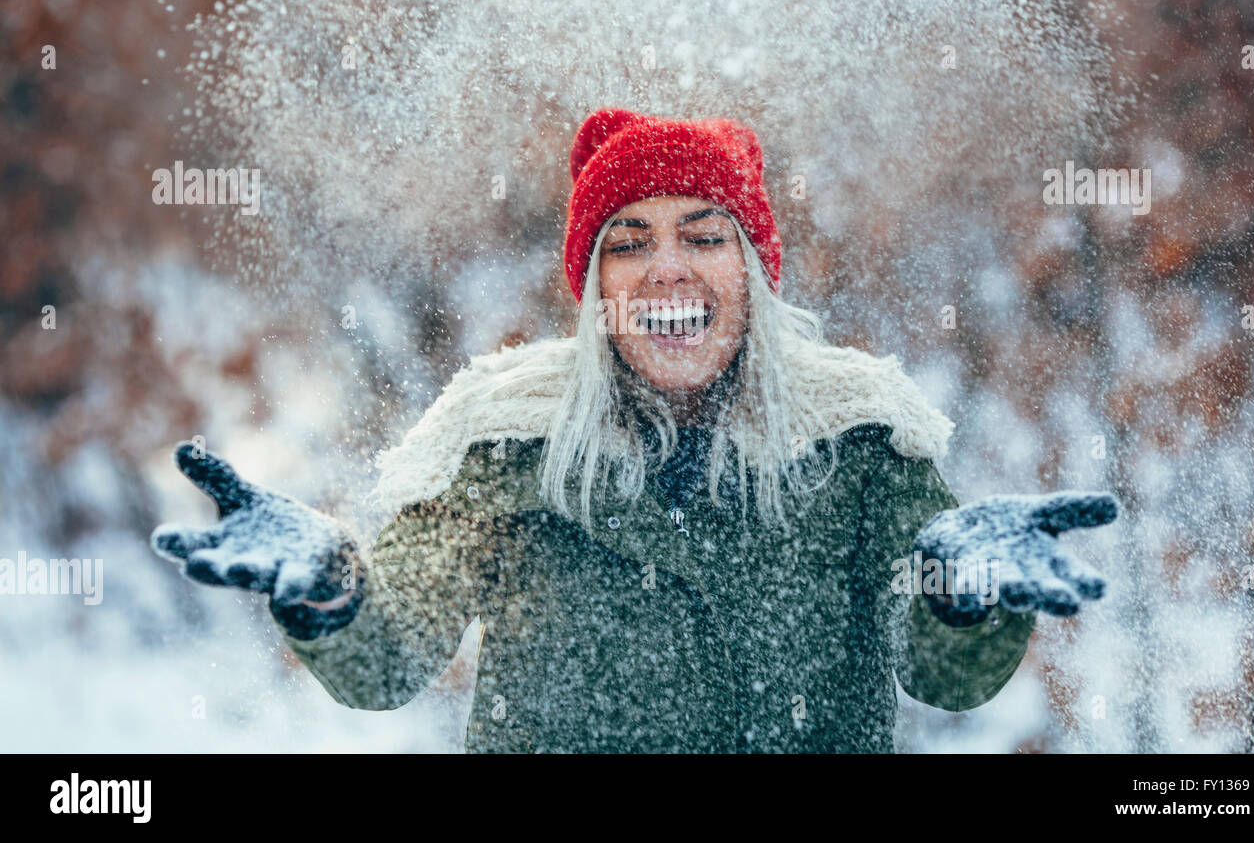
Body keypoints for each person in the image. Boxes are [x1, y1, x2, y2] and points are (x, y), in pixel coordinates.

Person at [153, 108, 1117, 752]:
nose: (668, 270)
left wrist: (956, 594)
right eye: (629, 242)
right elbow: (392, 651)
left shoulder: (859, 439)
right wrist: (333, 590)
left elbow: (944, 675)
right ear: (592, 292)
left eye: (705, 237)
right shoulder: (502, 441)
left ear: (753, 275)